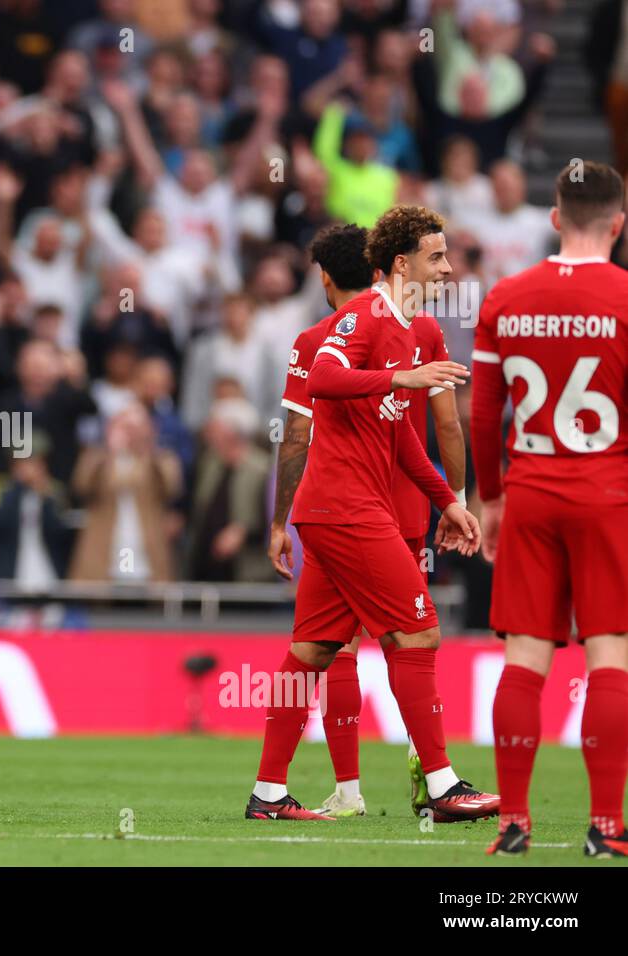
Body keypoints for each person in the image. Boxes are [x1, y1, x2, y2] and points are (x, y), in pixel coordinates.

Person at [246, 204, 498, 823]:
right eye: (436, 257)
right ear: (402, 263)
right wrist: (400, 377)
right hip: (346, 508)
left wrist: (446, 501)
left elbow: (398, 438)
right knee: (419, 632)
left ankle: (269, 794)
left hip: (334, 510)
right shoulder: (366, 316)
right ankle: (440, 788)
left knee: (312, 649)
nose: (446, 268)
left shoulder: (409, 326)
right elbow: (325, 381)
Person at [472, 161, 628, 858]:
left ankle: (513, 824)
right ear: (618, 225)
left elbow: (481, 410)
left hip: (530, 491)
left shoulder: (506, 295)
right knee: (612, 662)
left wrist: (490, 496)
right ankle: (605, 827)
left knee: (524, 663)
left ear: (556, 217)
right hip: (608, 494)